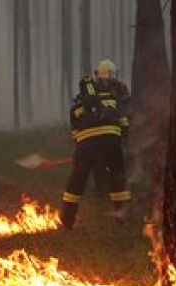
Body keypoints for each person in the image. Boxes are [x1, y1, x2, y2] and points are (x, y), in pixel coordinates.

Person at [59, 58, 132, 230]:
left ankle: (67, 220)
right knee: (117, 175)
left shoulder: (78, 103)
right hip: (111, 140)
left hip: (86, 145)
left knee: (77, 181)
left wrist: (81, 149)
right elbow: (123, 119)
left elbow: (75, 131)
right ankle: (122, 217)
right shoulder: (113, 97)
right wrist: (123, 137)